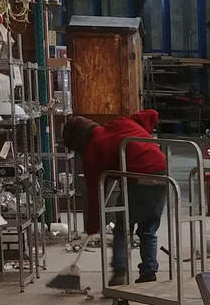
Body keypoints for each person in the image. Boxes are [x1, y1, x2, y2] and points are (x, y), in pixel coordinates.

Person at [61, 112, 167, 285]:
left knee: (122, 229)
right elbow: (152, 114)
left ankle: (120, 272)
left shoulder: (92, 152)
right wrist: (143, 134)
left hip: (136, 177)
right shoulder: (121, 122)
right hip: (161, 171)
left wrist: (93, 225)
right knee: (148, 228)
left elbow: (95, 192)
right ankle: (148, 271)